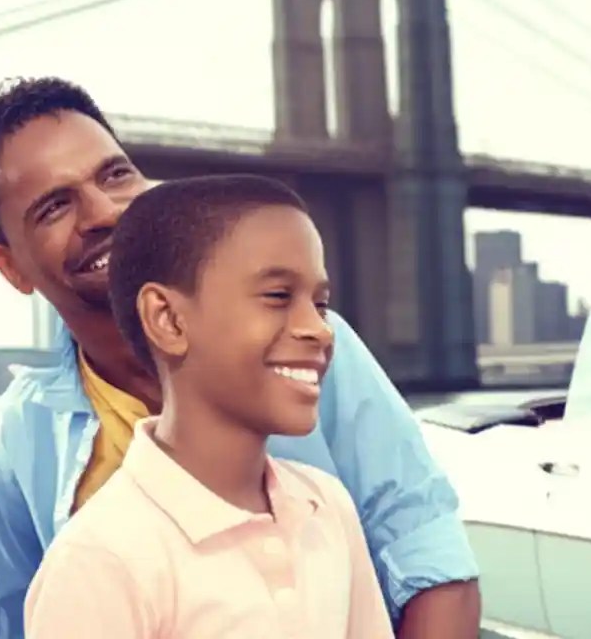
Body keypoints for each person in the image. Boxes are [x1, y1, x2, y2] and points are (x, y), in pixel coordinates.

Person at [0, 77, 481, 638]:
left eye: (115, 174)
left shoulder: (311, 352)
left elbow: (430, 556)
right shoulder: (21, 442)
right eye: (55, 206)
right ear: (10, 267)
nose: (105, 212)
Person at [22, 174, 394, 638]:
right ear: (168, 319)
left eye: (319, 304)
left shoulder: (328, 505)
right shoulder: (100, 561)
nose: (319, 330)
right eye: (278, 296)